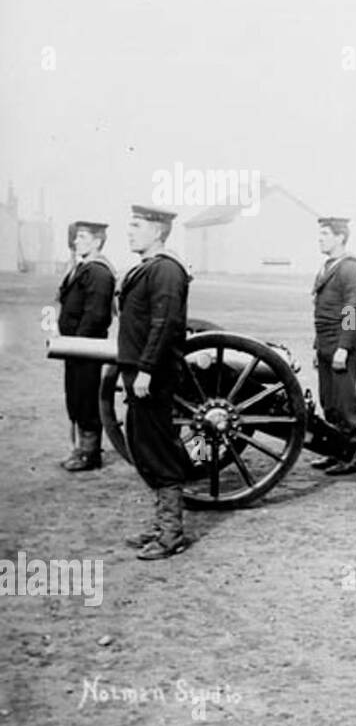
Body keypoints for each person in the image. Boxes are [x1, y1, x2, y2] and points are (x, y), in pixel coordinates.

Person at [118, 205, 193, 560]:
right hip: (137, 369)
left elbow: (165, 323)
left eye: (137, 226)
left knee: (157, 449)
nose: (129, 231)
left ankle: (171, 533)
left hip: (153, 373)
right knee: (144, 446)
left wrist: (343, 345)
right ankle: (163, 525)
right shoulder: (149, 268)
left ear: (158, 231)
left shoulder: (165, 269)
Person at [311, 216, 356, 475]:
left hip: (340, 344)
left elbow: (351, 309)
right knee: (329, 400)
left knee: (345, 401)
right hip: (325, 343)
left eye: (325, 234)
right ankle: (336, 450)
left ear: (340, 237)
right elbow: (320, 311)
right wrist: (318, 347)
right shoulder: (327, 267)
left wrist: (344, 347)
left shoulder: (352, 269)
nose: (320, 238)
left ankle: (351, 455)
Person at [56, 220, 116, 472]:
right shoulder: (82, 268)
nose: (76, 241)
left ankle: (90, 455)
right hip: (75, 347)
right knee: (76, 397)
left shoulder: (98, 271)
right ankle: (81, 450)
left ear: (97, 241)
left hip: (85, 347)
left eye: (82, 237)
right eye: (76, 236)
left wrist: (77, 342)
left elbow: (96, 315)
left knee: (86, 398)